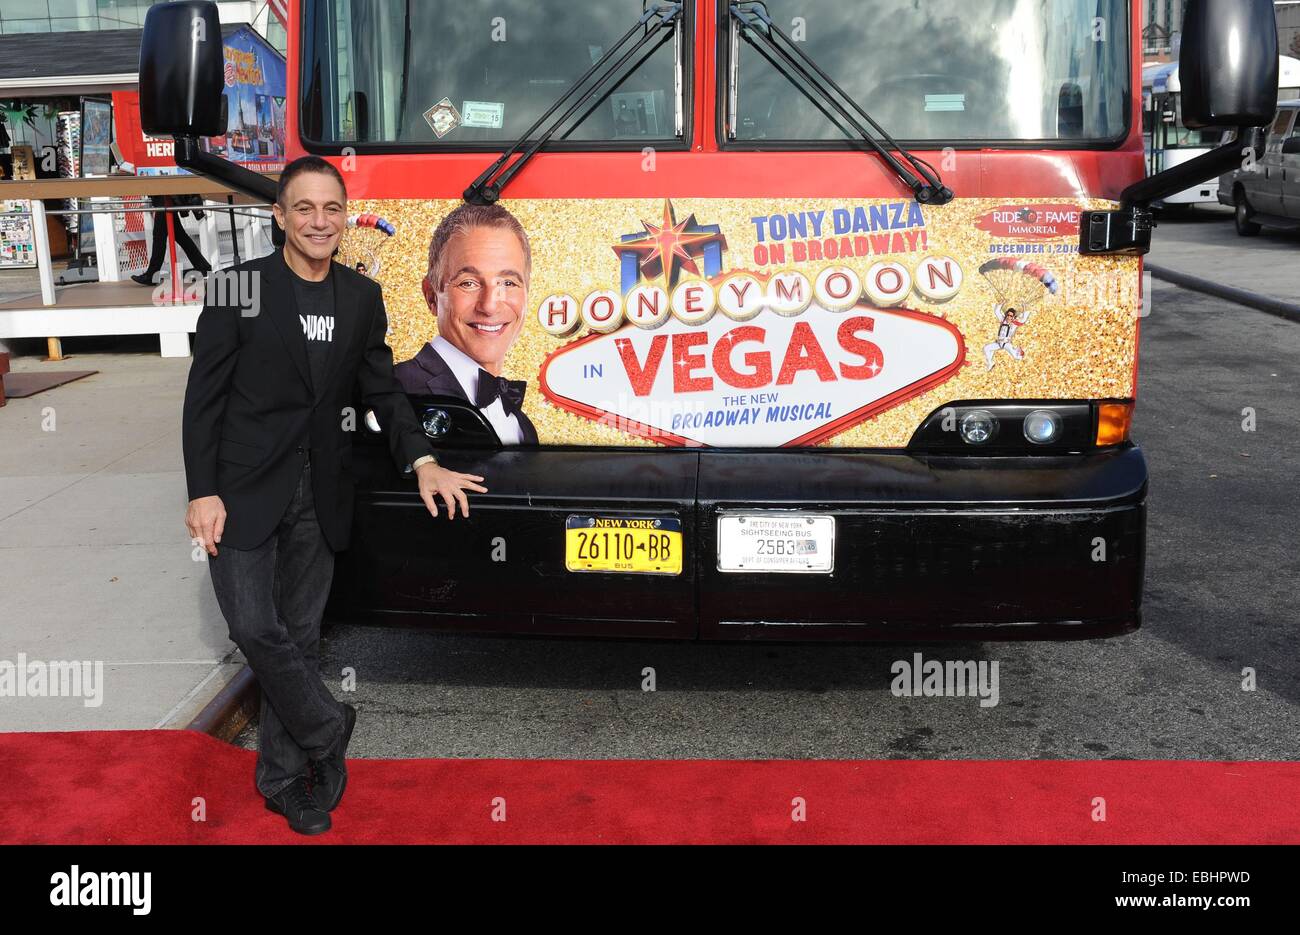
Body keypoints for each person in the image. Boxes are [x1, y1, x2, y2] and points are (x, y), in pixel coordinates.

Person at [181, 156, 487, 835]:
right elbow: (203, 401)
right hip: (242, 490)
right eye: (304, 208)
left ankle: (287, 779)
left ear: (343, 217)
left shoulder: (359, 297)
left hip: (321, 492)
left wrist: (424, 458)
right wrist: (202, 490)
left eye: (331, 209)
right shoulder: (239, 290)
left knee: (296, 635)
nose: (319, 221)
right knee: (253, 627)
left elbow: (381, 390)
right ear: (280, 216)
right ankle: (328, 722)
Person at [394, 203, 539, 444]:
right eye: (468, 283)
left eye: (508, 283)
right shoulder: (393, 393)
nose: (490, 305)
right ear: (431, 296)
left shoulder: (522, 426)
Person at [132, 194, 213, 286]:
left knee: (159, 238)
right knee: (181, 237)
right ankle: (204, 268)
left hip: (165, 198)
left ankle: (151, 275)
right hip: (168, 198)